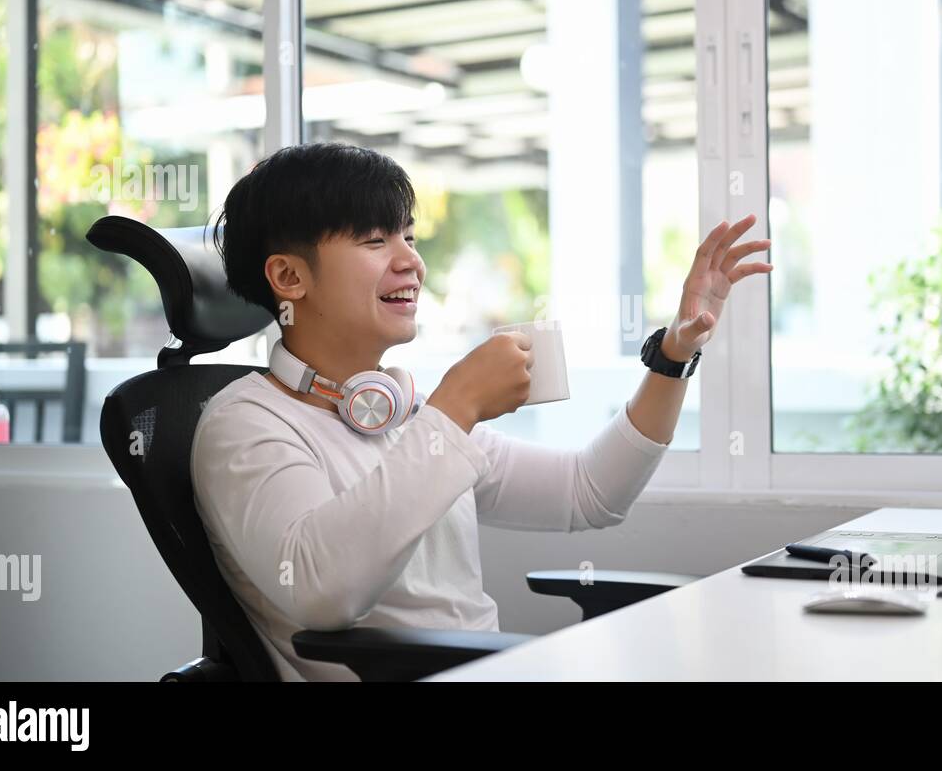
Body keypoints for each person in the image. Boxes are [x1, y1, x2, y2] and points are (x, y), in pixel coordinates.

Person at [190, 142, 772, 680]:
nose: (411, 263)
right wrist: (457, 406)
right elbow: (321, 589)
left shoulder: (401, 412)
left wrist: (672, 357)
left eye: (409, 238)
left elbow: (589, 493)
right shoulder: (244, 424)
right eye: (375, 241)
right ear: (289, 276)